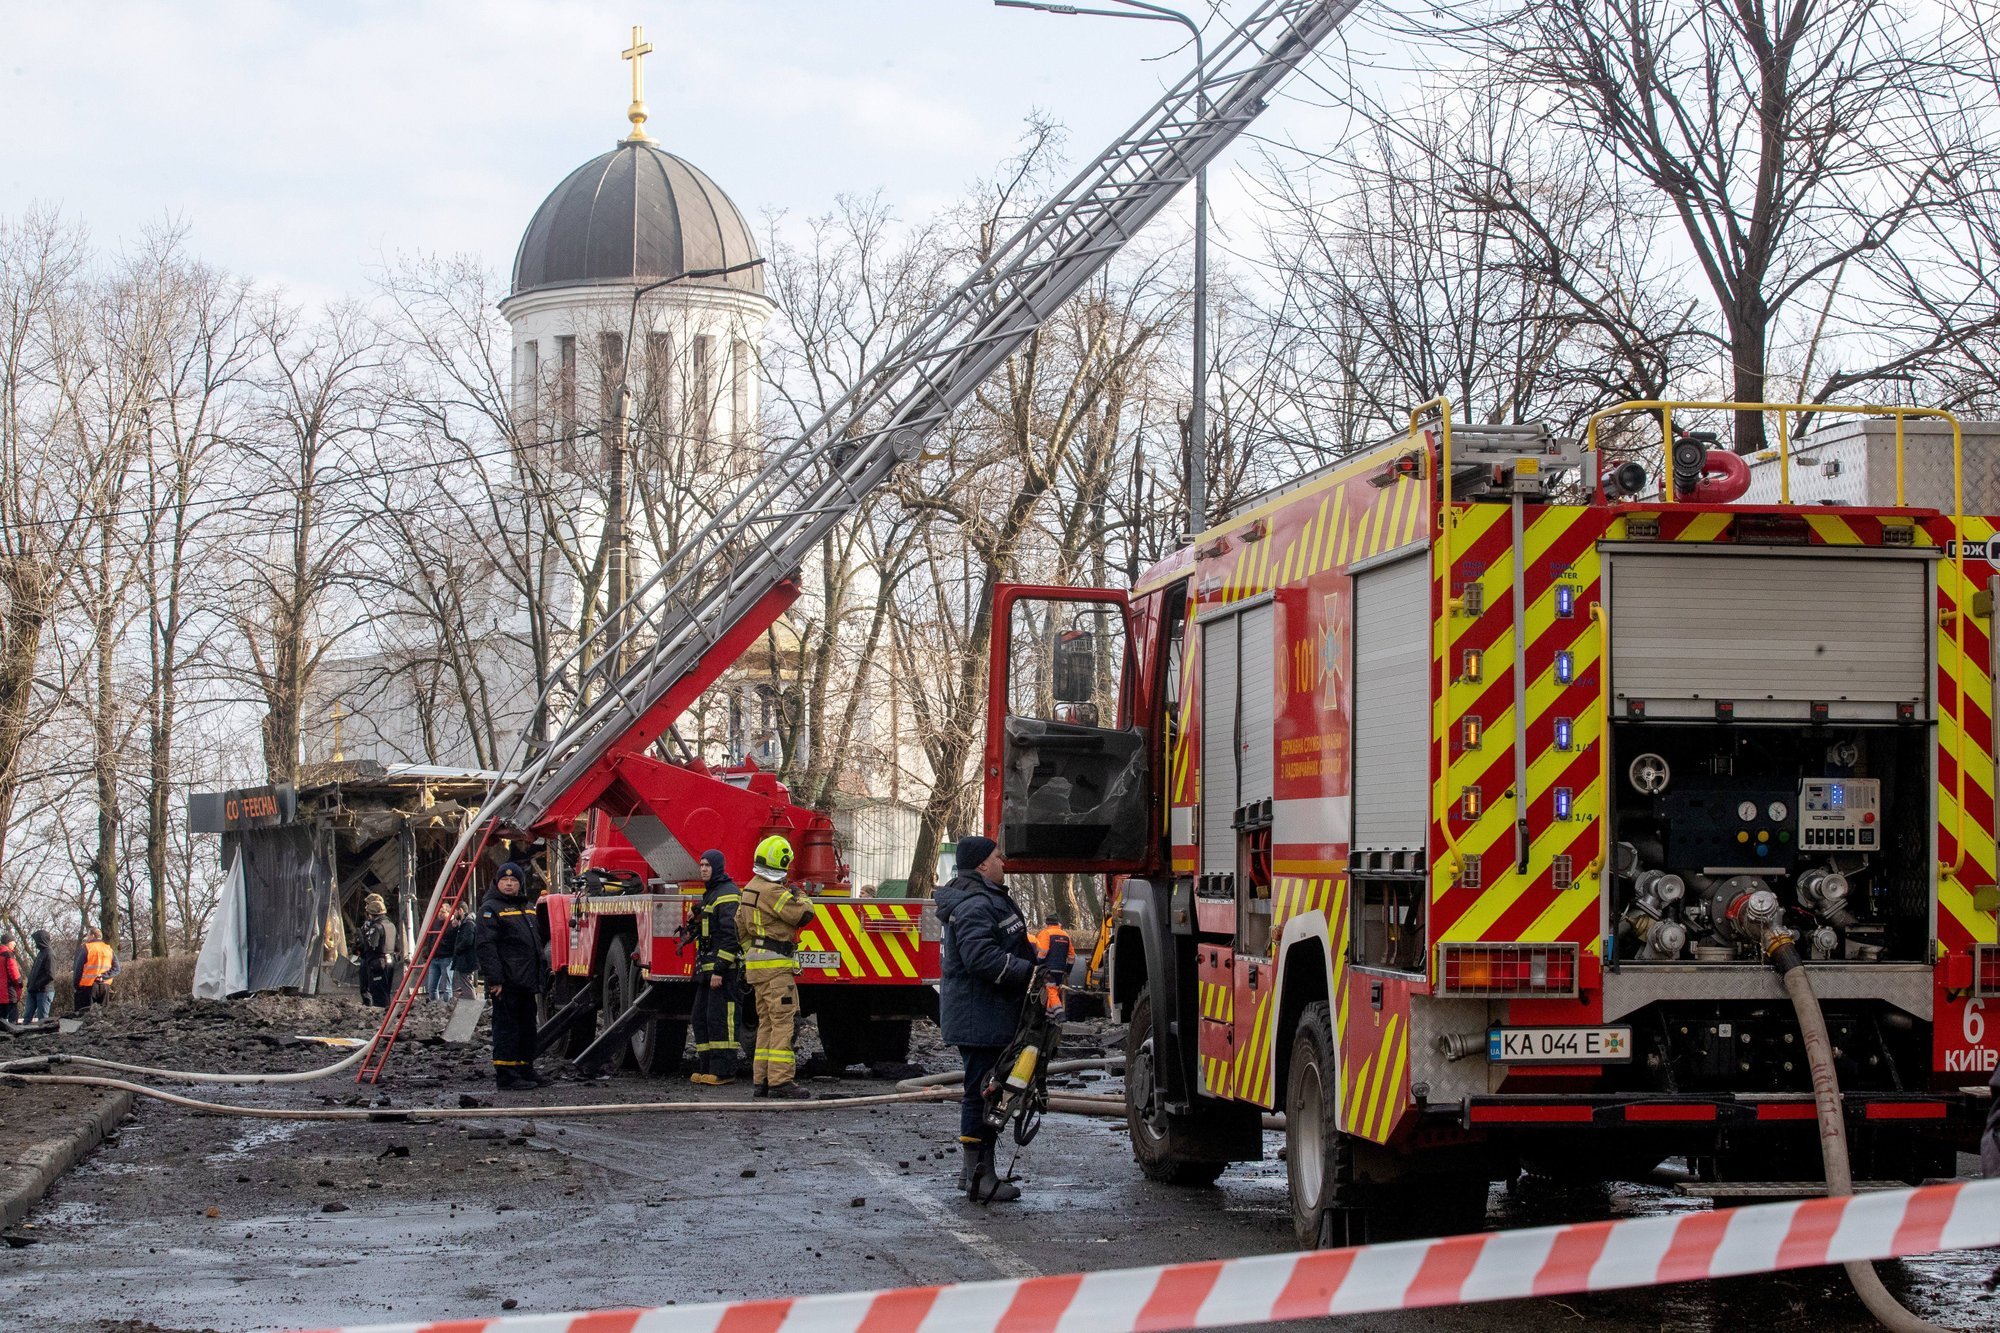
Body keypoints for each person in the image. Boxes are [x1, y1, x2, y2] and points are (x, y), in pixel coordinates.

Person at [935, 835, 1035, 1204]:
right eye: (997, 856)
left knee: (983, 1092)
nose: (1003, 861)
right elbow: (982, 959)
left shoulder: (984, 899)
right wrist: (1030, 972)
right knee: (983, 1095)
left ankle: (972, 1173)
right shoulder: (976, 904)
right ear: (980, 864)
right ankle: (980, 1176)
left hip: (984, 1013)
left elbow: (1002, 945)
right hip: (981, 1016)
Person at [735, 835, 815, 1099]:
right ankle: (781, 1081)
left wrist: (752, 956)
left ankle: (762, 1081)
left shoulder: (748, 890)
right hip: (777, 967)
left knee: (767, 1023)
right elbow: (803, 915)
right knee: (784, 1021)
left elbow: (741, 929)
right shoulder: (774, 892)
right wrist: (802, 895)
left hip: (757, 967)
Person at [476, 862, 546, 1090]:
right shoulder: (491, 909)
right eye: (505, 880)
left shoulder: (527, 907)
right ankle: (506, 1074)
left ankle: (525, 1067)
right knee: (507, 1027)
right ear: (497, 882)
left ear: (520, 884)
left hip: (526, 980)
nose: (509, 884)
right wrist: (494, 980)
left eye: (514, 880)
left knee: (527, 1026)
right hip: (506, 982)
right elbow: (486, 946)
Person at [689, 848, 742, 1086]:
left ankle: (724, 1070)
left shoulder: (728, 894)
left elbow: (731, 935)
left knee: (722, 1020)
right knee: (701, 1017)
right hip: (708, 971)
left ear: (718, 868)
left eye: (707, 866)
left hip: (723, 972)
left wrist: (720, 969)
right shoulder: (710, 894)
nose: (703, 869)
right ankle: (707, 1067)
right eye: (701, 865)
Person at [355, 894, 397, 1007]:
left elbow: (372, 944)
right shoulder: (390, 924)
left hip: (377, 961)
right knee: (384, 990)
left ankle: (381, 1017)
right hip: (388, 960)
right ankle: (385, 1013)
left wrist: (360, 945)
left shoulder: (376, 927)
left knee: (378, 990)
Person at [72, 925, 119, 1014]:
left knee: (84, 1015)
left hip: (87, 987)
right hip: (104, 986)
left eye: (88, 935)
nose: (87, 937)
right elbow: (116, 968)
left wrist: (76, 985)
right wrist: (104, 976)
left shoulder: (87, 948)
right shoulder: (108, 949)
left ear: (93, 936)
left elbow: (78, 969)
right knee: (103, 1015)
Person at [424, 909, 458, 1002]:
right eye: (439, 911)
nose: (440, 914)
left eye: (443, 912)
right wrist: (428, 952)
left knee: (446, 986)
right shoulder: (435, 923)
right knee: (431, 987)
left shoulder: (452, 925)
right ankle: (434, 1006)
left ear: (449, 913)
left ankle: (447, 1006)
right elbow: (430, 939)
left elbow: (453, 940)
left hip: (446, 958)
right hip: (434, 958)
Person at [24, 928, 54, 1022]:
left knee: (43, 1019)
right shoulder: (41, 953)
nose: (35, 943)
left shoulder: (49, 954)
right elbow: (34, 971)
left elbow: (50, 974)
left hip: (44, 991)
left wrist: (37, 985)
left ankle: (44, 1036)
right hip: (33, 990)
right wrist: (30, 984)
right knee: (27, 1017)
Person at [451, 900, 478, 998]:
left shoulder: (468, 924)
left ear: (460, 910)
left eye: (455, 911)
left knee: (466, 984)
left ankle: (470, 1006)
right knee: (464, 983)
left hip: (467, 960)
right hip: (464, 959)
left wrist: (457, 949)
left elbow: (467, 941)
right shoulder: (464, 924)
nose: (454, 914)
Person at [0, 932, 22, 1023]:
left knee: (1, 1016)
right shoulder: (8, 954)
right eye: (13, 942)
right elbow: (13, 972)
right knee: (12, 1014)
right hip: (8, 991)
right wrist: (20, 983)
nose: (15, 944)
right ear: (8, 942)